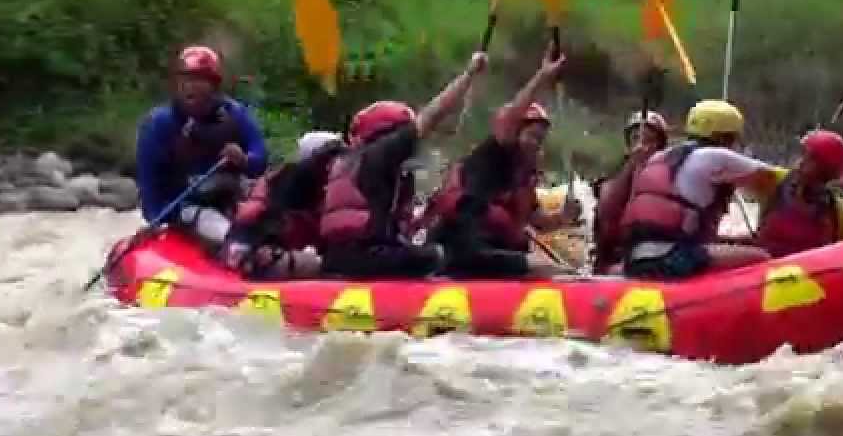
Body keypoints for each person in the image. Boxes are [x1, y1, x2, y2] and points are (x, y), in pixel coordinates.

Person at [317, 51, 489, 278]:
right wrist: (468, 76)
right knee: (436, 255)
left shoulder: (347, 161)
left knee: (417, 247)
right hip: (366, 258)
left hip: (334, 258)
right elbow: (431, 116)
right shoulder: (381, 153)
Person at [422, 48, 582, 278]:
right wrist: (543, 76)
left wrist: (563, 217)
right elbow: (508, 117)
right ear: (515, 133)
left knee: (555, 268)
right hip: (464, 249)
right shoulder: (494, 154)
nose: (537, 144)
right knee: (551, 270)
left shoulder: (523, 175)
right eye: (532, 135)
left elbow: (535, 221)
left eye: (541, 139)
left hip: (493, 250)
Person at [619, 100, 775, 279]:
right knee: (762, 257)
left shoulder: (660, 157)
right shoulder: (716, 156)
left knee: (735, 248)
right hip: (670, 258)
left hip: (636, 258)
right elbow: (774, 177)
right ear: (726, 137)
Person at [135, 45, 268, 249]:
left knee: (262, 217)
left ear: (214, 87)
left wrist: (244, 160)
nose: (190, 87)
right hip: (185, 206)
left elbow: (260, 159)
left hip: (231, 197)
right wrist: (160, 221)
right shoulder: (159, 124)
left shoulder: (235, 114)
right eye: (185, 80)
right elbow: (149, 184)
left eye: (199, 80)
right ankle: (240, 250)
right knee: (222, 231)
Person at [220, 131, 346, 278]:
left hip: (291, 247)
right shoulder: (287, 183)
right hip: (263, 253)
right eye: (333, 157)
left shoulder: (326, 184)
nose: (338, 162)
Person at [748, 129, 843, 258]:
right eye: (803, 155)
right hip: (763, 268)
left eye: (810, 158)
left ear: (827, 171)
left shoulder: (838, 212)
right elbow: (728, 167)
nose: (800, 162)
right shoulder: (773, 179)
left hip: (805, 273)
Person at [591, 110, 670, 274]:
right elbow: (607, 209)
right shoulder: (616, 172)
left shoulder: (668, 176)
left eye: (650, 141)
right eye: (636, 139)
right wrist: (633, 167)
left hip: (651, 257)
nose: (643, 146)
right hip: (614, 259)